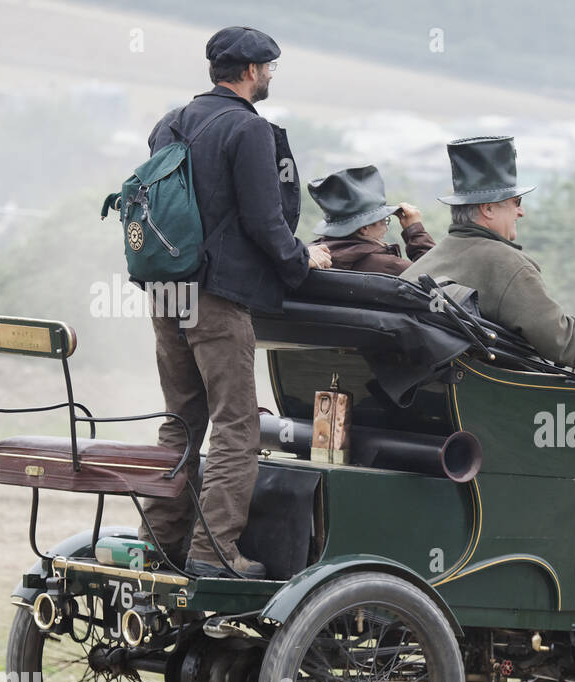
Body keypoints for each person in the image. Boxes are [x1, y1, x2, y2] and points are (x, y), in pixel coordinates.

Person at [401, 135, 575, 572]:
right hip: (489, 426)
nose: (522, 210)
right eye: (514, 200)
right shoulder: (503, 263)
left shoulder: (427, 263)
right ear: (486, 209)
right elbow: (557, 337)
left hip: (434, 421)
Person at [140, 26, 333, 579]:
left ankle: (157, 541)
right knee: (237, 426)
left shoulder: (170, 122)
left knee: (181, 420)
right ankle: (214, 553)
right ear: (250, 72)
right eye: (269, 67)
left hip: (166, 290)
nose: (271, 75)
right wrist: (301, 261)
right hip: (216, 298)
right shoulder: (247, 129)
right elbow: (263, 220)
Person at [307, 165, 435, 275]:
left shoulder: (308, 258)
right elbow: (438, 278)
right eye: (384, 221)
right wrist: (415, 231)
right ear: (364, 228)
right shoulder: (390, 266)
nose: (386, 228)